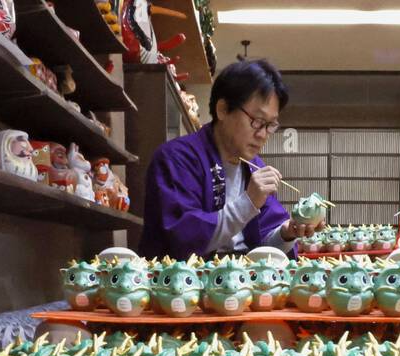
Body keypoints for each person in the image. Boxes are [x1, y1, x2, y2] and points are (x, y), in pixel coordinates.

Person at [138, 59, 324, 258]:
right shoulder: (176, 159)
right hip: (185, 283)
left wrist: (287, 234)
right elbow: (183, 239)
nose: (263, 134)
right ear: (223, 109)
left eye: (270, 125)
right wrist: (249, 202)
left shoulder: (255, 168)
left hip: (242, 280)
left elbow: (263, 250)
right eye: (257, 121)